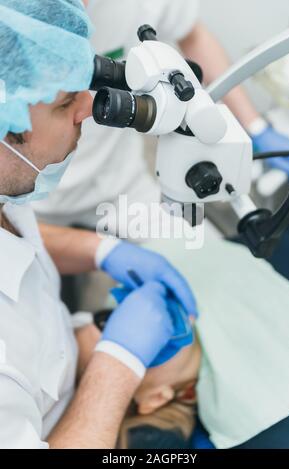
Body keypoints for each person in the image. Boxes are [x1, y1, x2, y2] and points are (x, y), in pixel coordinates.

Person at [0, 0, 197, 449]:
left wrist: (99, 251)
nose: (88, 109)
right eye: (66, 100)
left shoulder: (10, 186)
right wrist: (117, 364)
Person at [32, 0, 289, 237]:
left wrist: (256, 126)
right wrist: (98, 252)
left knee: (200, 257)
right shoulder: (12, 20)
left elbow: (192, 35)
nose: (87, 105)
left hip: (118, 186)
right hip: (29, 199)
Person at [76, 238, 289, 449]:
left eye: (108, 322)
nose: (134, 322)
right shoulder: (264, 420)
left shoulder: (164, 271)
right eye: (123, 349)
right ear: (156, 397)